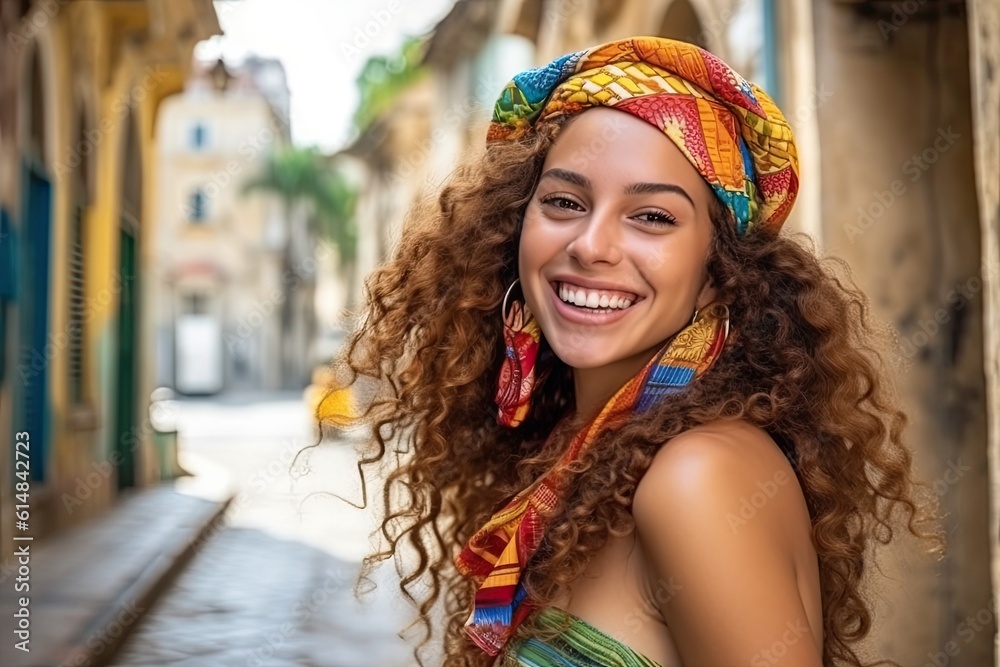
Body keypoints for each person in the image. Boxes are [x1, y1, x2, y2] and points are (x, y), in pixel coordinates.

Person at [318, 36, 942, 667]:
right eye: (564, 202)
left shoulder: (696, 477)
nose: (591, 244)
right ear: (514, 229)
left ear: (719, 272)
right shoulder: (579, 452)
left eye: (652, 217)